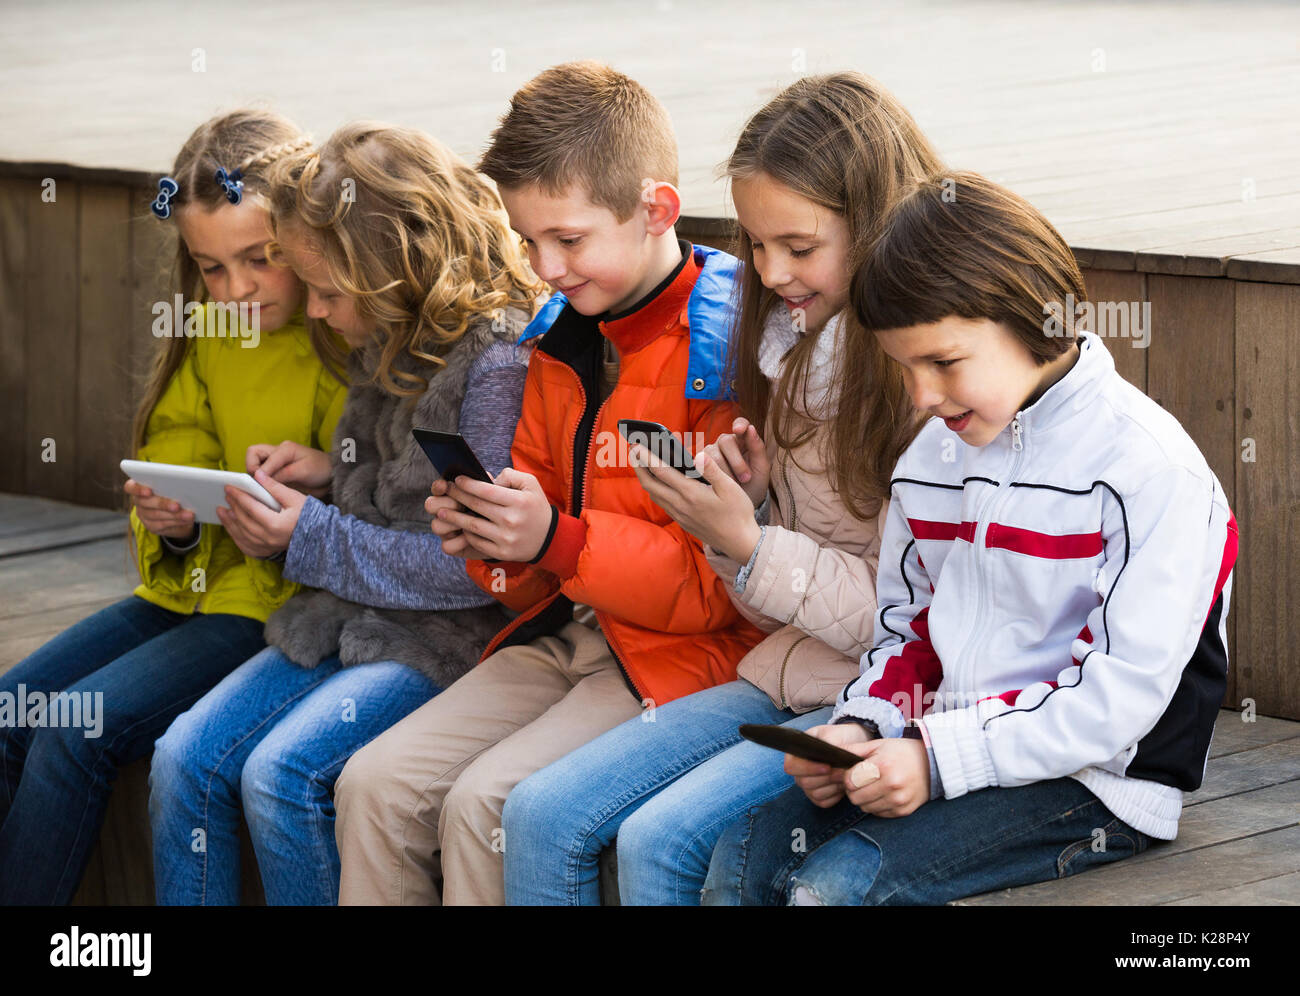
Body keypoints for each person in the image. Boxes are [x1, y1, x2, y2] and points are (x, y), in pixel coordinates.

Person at [702, 171, 1238, 906]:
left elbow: (1115, 702)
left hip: (1095, 783)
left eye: (943, 363)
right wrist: (863, 726)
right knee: (743, 857)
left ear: (1031, 317)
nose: (921, 396)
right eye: (904, 367)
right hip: (946, 749)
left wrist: (934, 757)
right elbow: (908, 635)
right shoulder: (932, 461)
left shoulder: (1150, 470)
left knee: (838, 888)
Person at [332, 61, 765, 906]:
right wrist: (490, 543)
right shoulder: (555, 340)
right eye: (528, 241)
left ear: (657, 211)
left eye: (567, 240)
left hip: (683, 660)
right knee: (373, 784)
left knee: (485, 803)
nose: (544, 266)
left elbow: (726, 584)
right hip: (562, 633)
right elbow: (529, 571)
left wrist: (557, 540)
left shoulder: (726, 352)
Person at [501, 72, 940, 906]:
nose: (770, 272)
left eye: (799, 248)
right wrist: (756, 510)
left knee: (656, 840)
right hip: (785, 665)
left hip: (880, 696)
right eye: (756, 244)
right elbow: (777, 595)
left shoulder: (926, 381)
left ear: (879, 225)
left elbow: (910, 614)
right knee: (538, 814)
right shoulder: (784, 343)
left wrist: (750, 541)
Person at [148, 122, 539, 904]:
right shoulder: (391, 331)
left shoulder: (496, 362)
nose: (317, 313)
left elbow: (468, 573)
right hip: (344, 611)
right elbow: (392, 495)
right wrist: (326, 481)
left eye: (327, 292)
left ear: (397, 268)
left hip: (449, 638)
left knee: (281, 775)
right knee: (181, 755)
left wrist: (310, 534)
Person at [0, 109, 348, 904]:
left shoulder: (339, 328)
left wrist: (326, 476)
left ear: (302, 236)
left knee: (74, 729)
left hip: (275, 605)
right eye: (211, 268)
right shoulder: (214, 327)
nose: (236, 288)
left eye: (259, 259)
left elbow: (371, 475)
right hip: (185, 589)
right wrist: (174, 517)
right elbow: (181, 440)